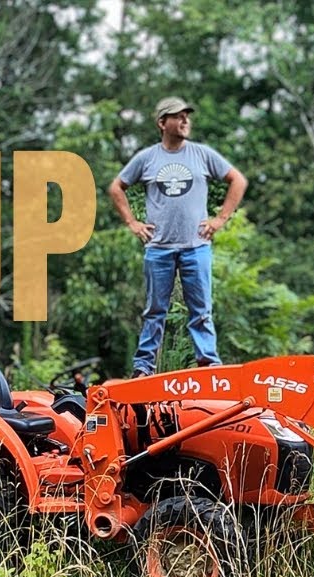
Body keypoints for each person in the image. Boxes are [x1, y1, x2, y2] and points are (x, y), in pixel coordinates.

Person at [108, 97, 248, 378]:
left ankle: (208, 364)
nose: (184, 121)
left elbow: (238, 180)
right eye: (177, 116)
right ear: (162, 123)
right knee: (154, 311)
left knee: (201, 310)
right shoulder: (148, 158)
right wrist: (132, 223)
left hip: (195, 247)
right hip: (159, 247)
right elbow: (116, 187)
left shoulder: (201, 154)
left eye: (187, 116)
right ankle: (143, 367)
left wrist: (220, 219)